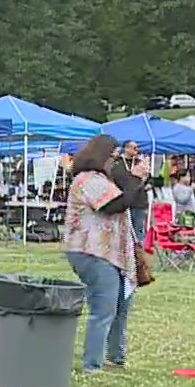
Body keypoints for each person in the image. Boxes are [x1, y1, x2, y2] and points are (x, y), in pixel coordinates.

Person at [62, 134, 144, 373]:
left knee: (120, 307)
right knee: (104, 309)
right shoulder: (88, 180)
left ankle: (115, 359)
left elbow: (130, 197)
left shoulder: (101, 179)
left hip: (109, 252)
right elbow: (115, 204)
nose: (114, 162)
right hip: (92, 251)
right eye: (112, 156)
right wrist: (135, 179)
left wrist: (135, 180)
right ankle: (92, 364)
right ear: (101, 156)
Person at [108, 140, 154, 248]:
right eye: (134, 148)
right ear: (126, 148)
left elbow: (150, 178)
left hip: (139, 200)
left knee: (138, 228)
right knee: (122, 229)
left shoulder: (140, 163)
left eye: (137, 148)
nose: (137, 150)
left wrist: (149, 184)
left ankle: (139, 255)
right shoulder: (116, 163)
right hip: (122, 201)